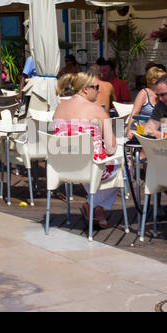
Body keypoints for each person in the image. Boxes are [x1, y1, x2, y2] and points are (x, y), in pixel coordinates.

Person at [52, 72, 119, 228]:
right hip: (90, 168)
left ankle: (96, 208)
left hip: (63, 166)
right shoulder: (97, 110)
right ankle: (93, 205)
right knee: (125, 165)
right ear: (84, 89)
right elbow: (111, 148)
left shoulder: (59, 108)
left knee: (95, 160)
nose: (99, 91)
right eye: (95, 87)